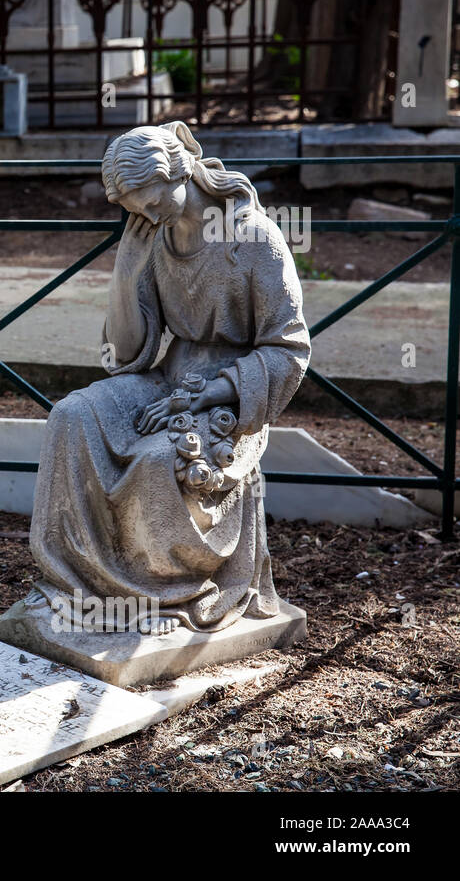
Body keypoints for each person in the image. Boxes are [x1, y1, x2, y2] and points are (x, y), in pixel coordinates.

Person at [26, 121, 310, 635]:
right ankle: (83, 583)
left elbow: (288, 349)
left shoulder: (252, 240)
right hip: (165, 377)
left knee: (160, 457)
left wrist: (206, 394)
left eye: (150, 199)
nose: (144, 214)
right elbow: (126, 353)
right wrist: (128, 269)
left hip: (231, 391)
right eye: (133, 207)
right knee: (71, 415)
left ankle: (162, 592)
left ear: (178, 169)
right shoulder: (152, 237)